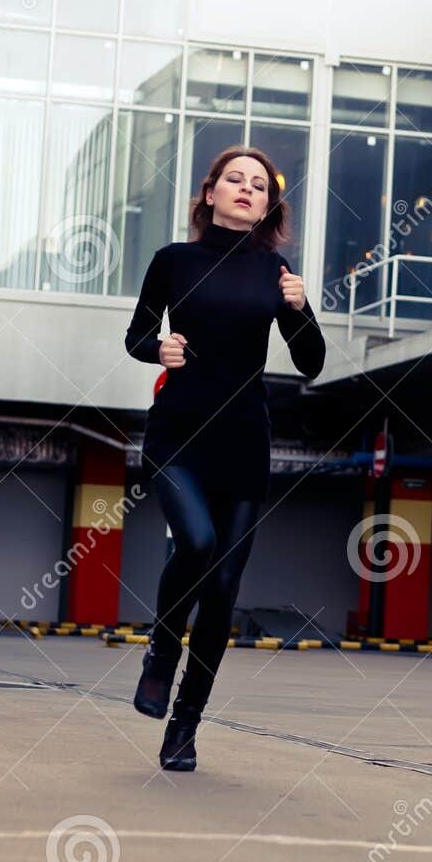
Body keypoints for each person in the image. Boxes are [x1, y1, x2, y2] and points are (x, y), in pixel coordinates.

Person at [122, 145, 326, 771]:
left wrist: (299, 308)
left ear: (268, 204)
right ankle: (161, 651)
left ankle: (183, 727)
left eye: (258, 185)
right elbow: (136, 336)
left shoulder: (276, 273)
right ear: (210, 194)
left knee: (223, 592)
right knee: (198, 542)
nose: (245, 189)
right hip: (178, 435)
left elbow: (312, 362)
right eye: (233, 179)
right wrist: (161, 351)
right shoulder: (172, 262)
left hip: (244, 441)